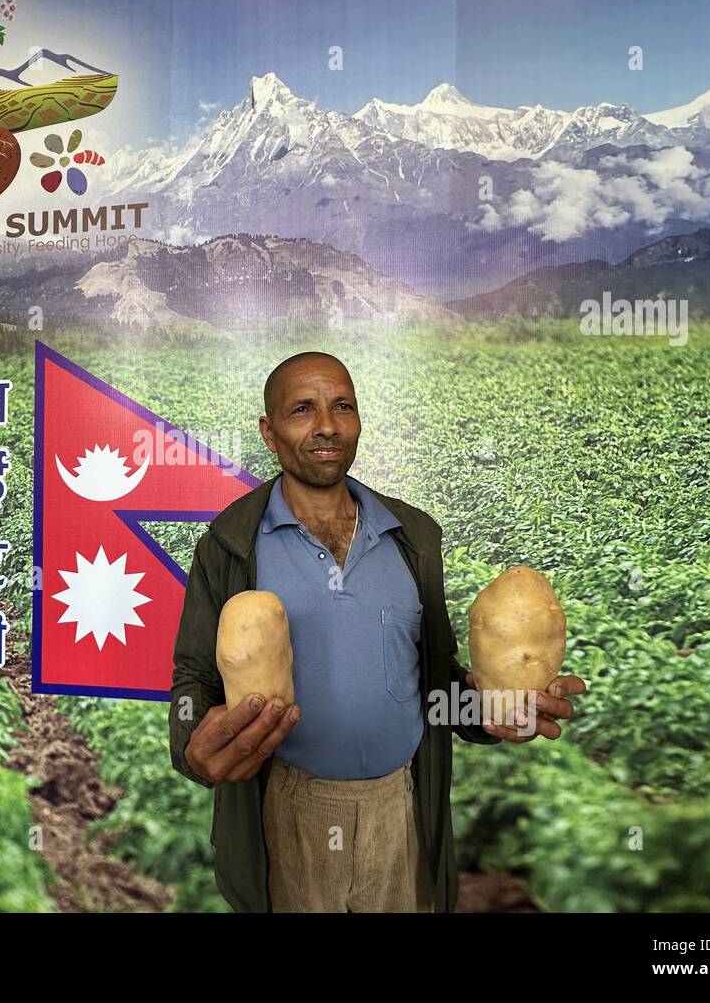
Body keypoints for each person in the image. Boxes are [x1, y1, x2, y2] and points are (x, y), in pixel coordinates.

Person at [167, 351, 585, 912]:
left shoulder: (413, 537)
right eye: (301, 409)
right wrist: (191, 748)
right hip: (287, 807)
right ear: (269, 432)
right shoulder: (230, 544)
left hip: (402, 803)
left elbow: (433, 682)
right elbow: (194, 677)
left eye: (343, 406)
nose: (326, 426)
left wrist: (486, 712)